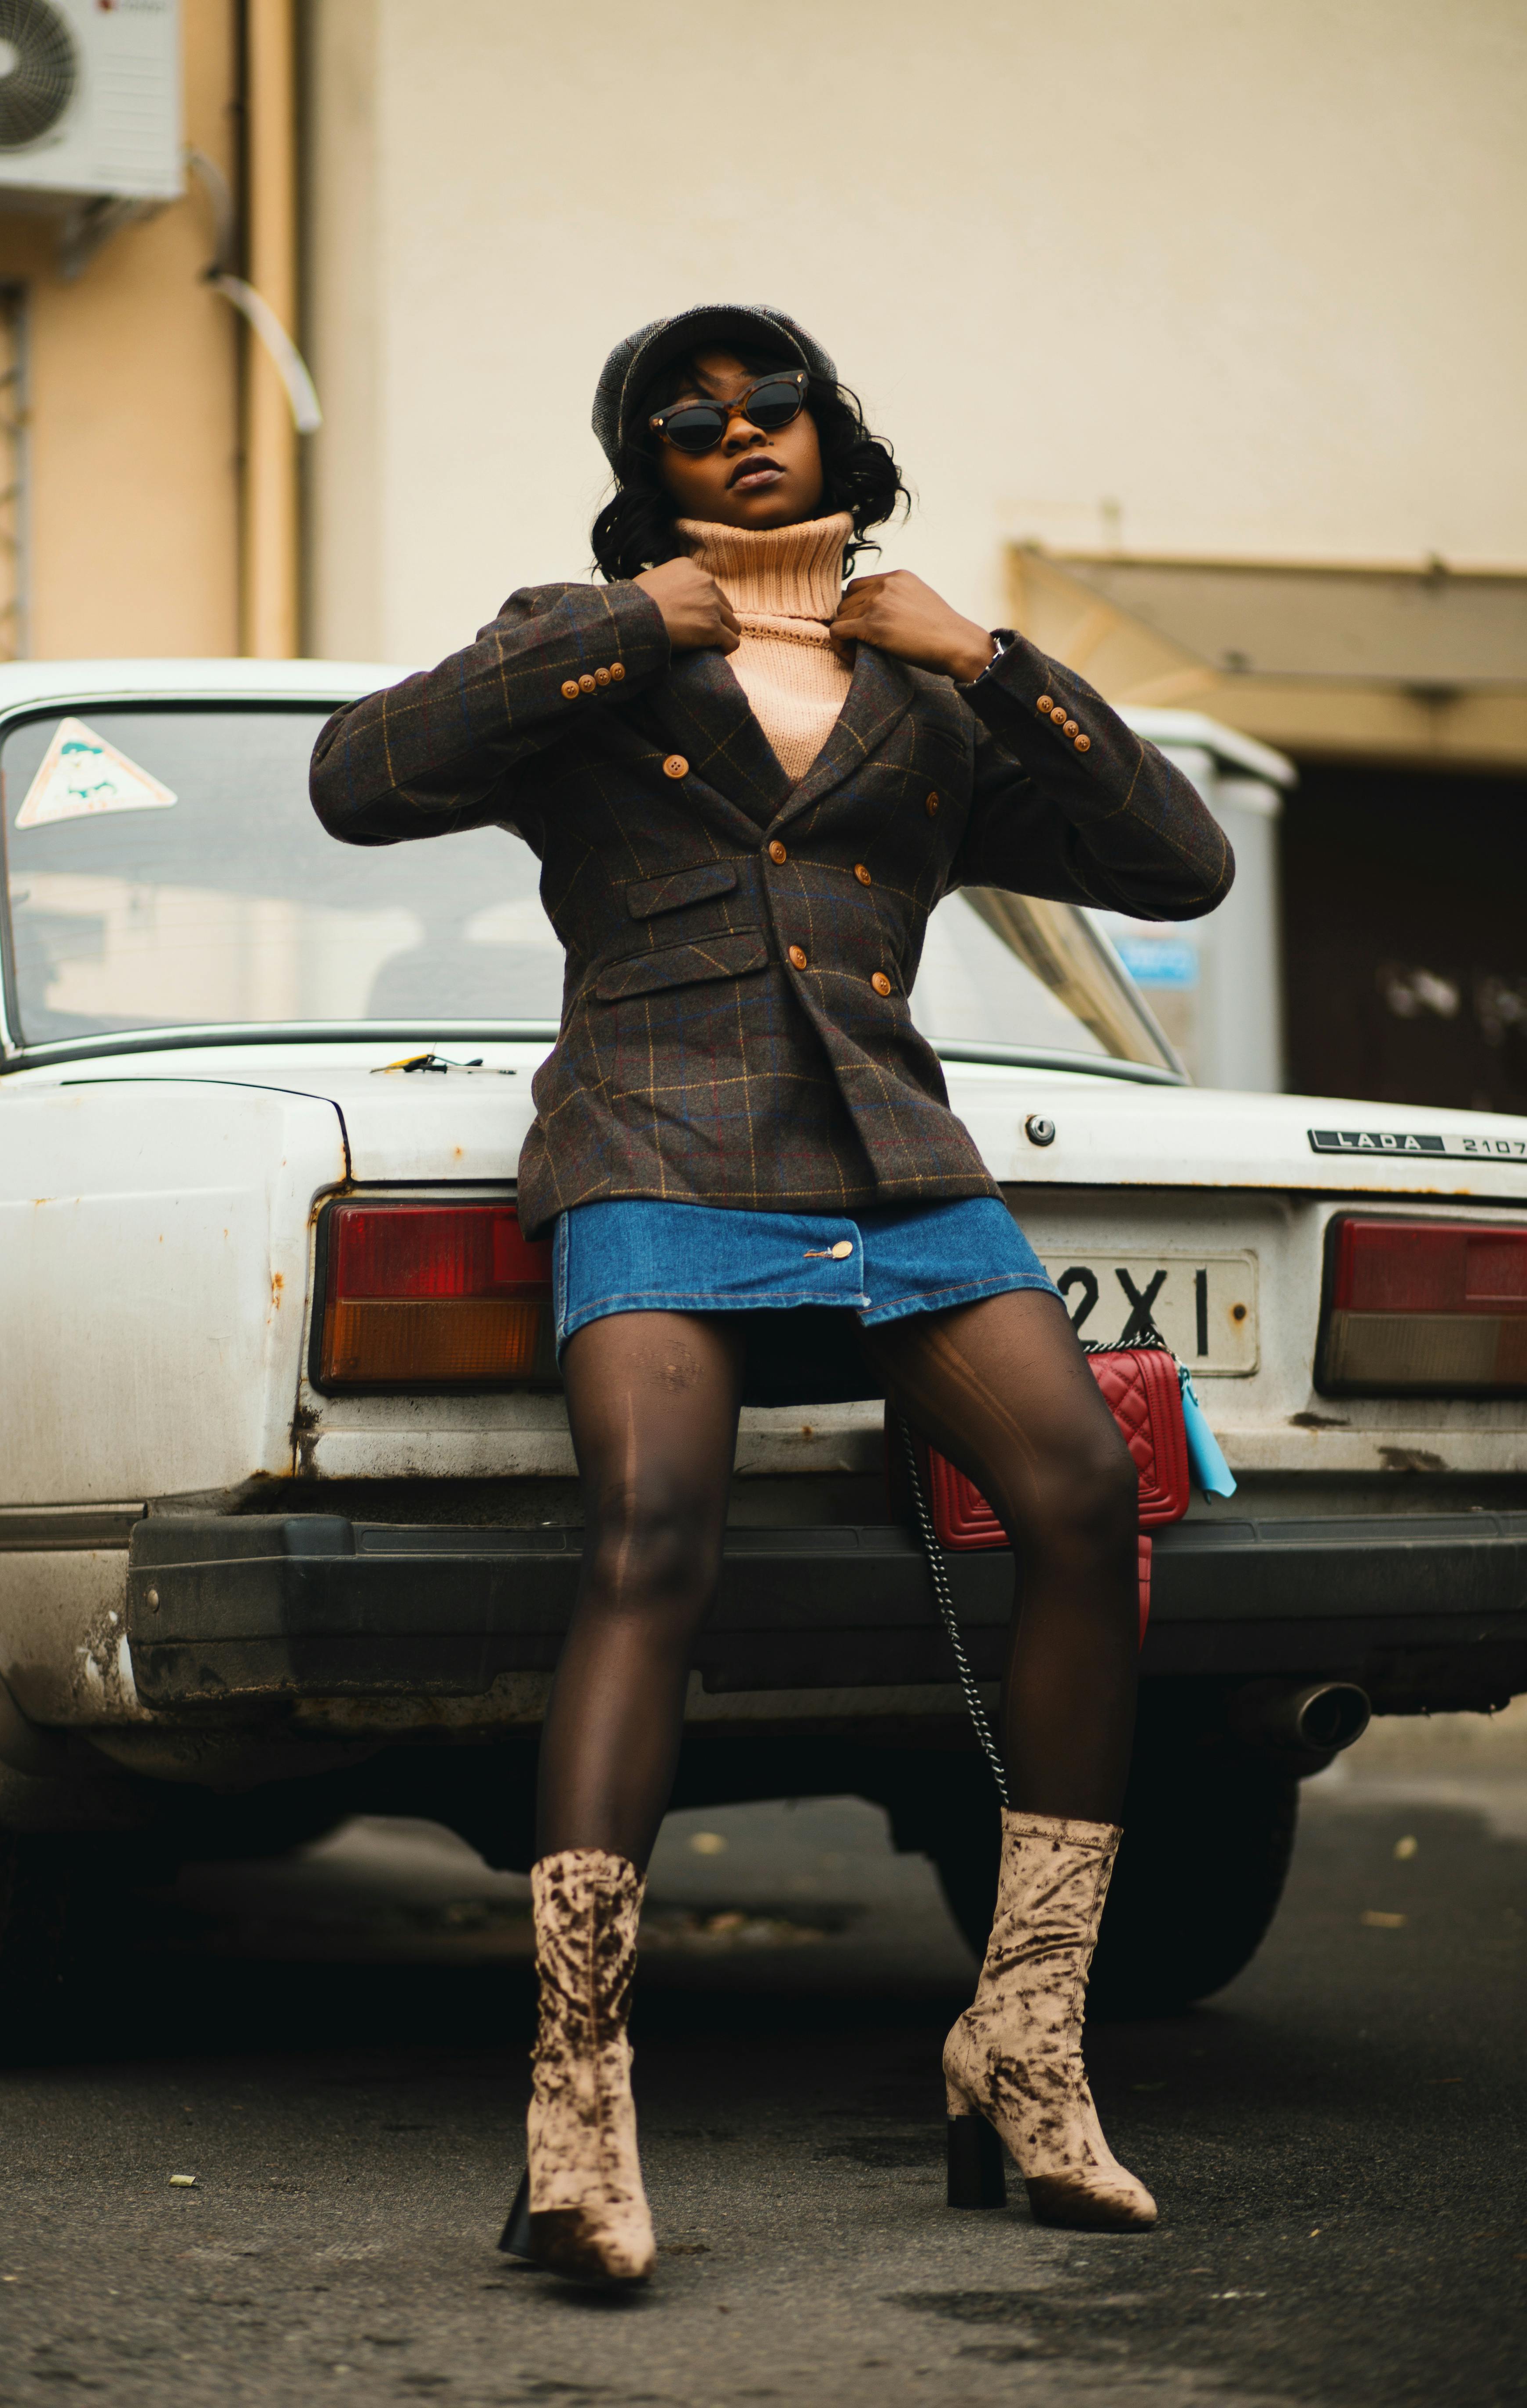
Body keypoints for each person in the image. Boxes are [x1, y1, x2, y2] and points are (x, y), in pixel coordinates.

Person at [311, 305, 1234, 2285]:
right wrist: (635, 628)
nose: (740, 437)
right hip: (650, 1140)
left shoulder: (932, 692)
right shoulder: (583, 639)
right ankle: (578, 2109)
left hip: (898, 1158)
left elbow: (1181, 869)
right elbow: (358, 781)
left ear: (833, 434)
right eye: (688, 423)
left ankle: (1029, 2043)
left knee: (1082, 1497)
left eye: (773, 407)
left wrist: (987, 656)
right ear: (649, 472)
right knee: (652, 1540)